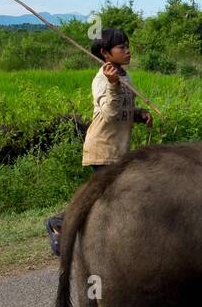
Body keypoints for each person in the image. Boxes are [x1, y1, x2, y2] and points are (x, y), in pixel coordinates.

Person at [45, 28, 152, 255]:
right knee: (109, 194)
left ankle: (83, 229)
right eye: (121, 47)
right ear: (105, 52)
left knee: (105, 194)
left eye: (127, 46)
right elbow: (110, 114)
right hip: (102, 147)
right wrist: (113, 84)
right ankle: (60, 223)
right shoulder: (102, 80)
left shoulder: (124, 75)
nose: (128, 51)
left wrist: (140, 114)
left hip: (119, 149)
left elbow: (125, 109)